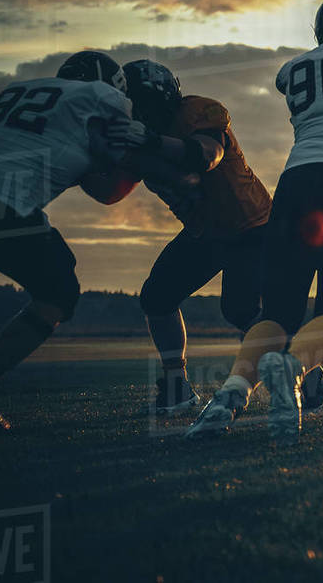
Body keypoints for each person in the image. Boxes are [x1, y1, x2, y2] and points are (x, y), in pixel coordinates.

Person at [185, 0, 323, 443]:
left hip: (296, 184)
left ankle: (232, 390)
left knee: (278, 312)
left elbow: (301, 82)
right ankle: (294, 367)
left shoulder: (292, 69)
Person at [0, 51, 141, 432]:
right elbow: (112, 178)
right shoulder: (103, 96)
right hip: (4, 206)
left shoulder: (19, 88)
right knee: (58, 291)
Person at [119, 59, 283, 417]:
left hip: (250, 227)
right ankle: (177, 387)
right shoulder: (136, 141)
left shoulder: (197, 112)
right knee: (157, 297)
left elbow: (206, 158)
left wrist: (149, 142)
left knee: (241, 310)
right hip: (205, 232)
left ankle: (301, 369)